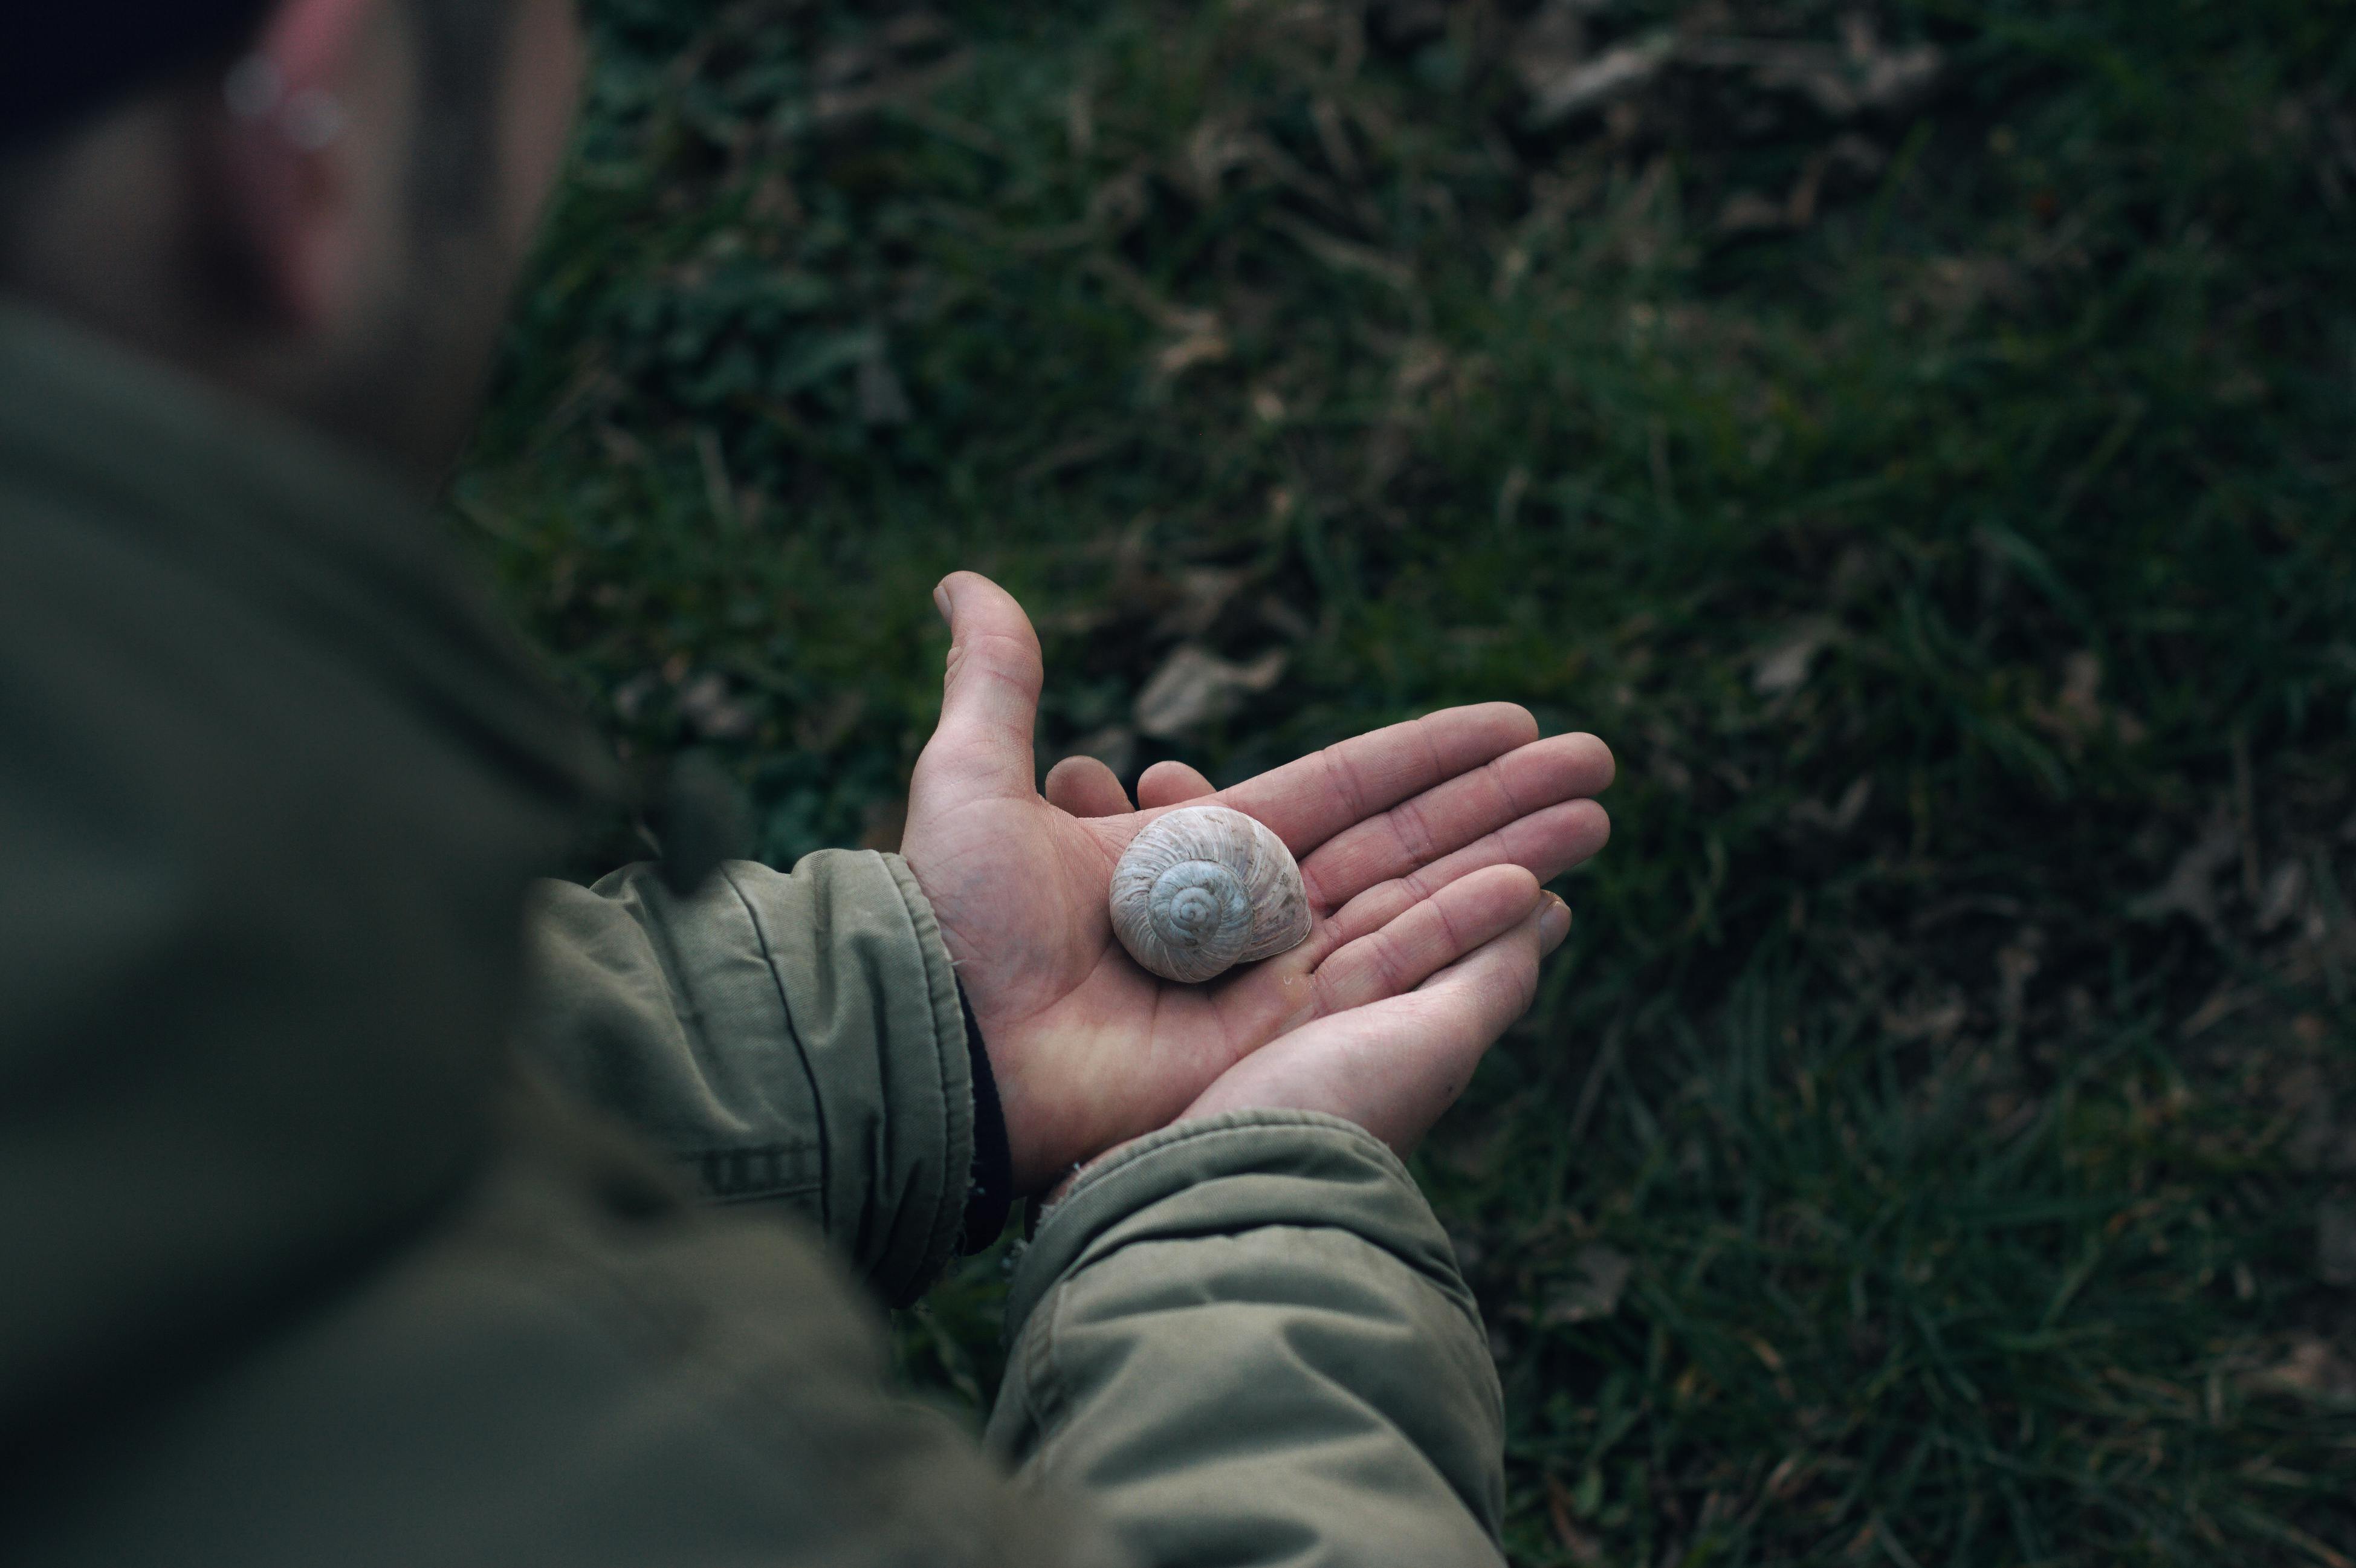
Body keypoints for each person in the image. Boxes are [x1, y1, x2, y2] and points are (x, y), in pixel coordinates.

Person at [0, 2, 1616, 1563]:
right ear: (314, 125)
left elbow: (197, 1073)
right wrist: (1236, 1221)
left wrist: (882, 1027)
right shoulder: (580, 1469)